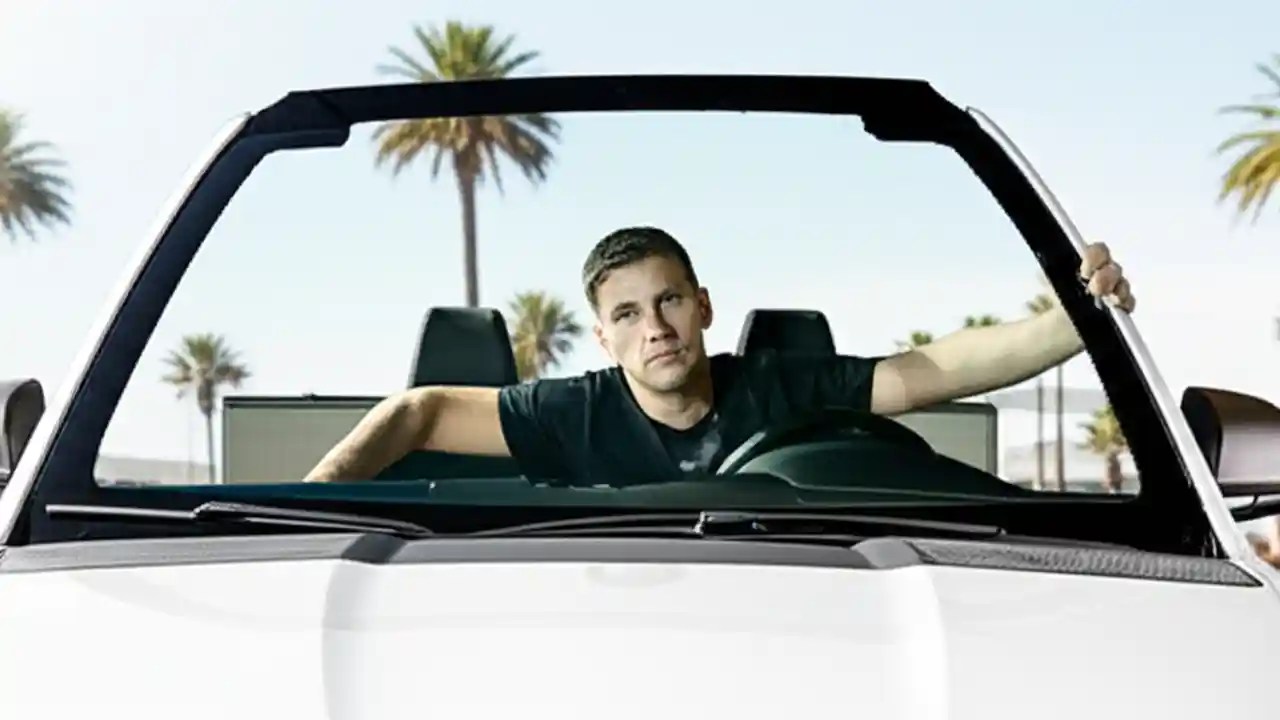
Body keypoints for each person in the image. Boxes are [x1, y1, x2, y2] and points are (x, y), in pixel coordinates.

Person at [305, 226, 1135, 486]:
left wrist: (1077, 316)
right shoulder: (575, 410)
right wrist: (302, 519)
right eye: (626, 315)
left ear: (703, 307)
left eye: (668, 301)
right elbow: (415, 414)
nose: (654, 328)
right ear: (603, 340)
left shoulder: (781, 388)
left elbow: (934, 371)